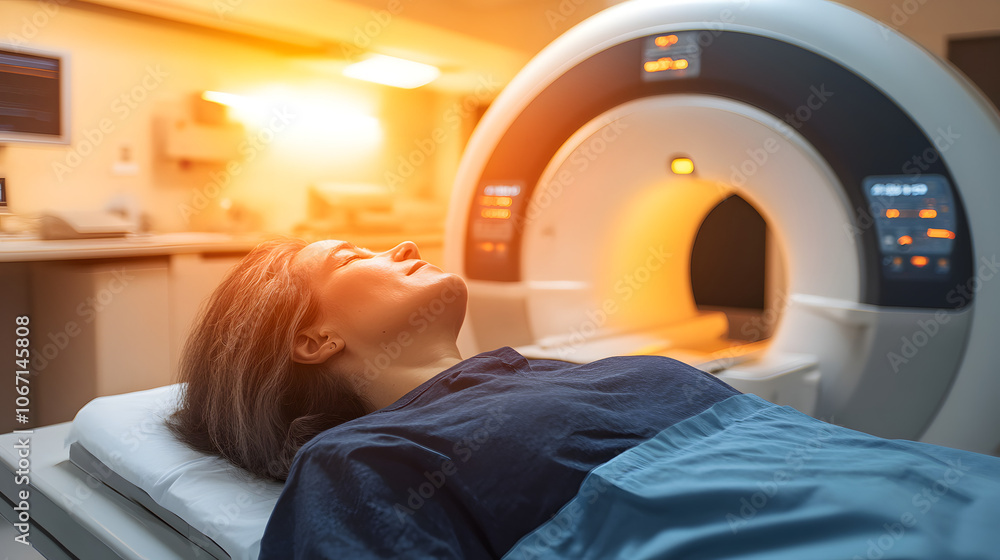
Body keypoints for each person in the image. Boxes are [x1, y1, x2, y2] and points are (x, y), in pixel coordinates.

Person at [168, 238, 741, 558]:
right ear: (314, 340)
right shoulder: (363, 460)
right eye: (349, 258)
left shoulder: (551, 375)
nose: (404, 243)